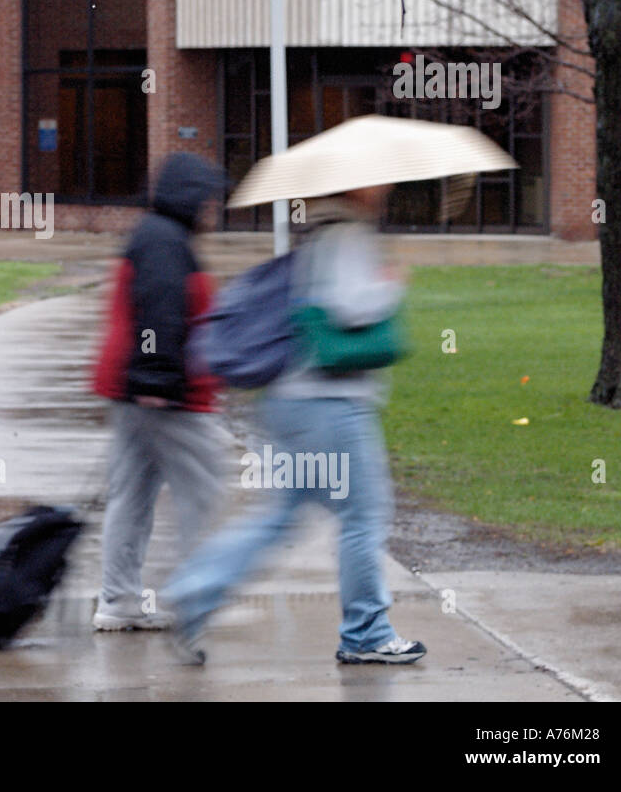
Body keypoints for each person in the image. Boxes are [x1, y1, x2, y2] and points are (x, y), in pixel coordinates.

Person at [163, 185, 427, 665]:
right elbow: (349, 306)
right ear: (358, 189)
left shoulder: (315, 238)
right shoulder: (348, 237)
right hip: (330, 404)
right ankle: (367, 632)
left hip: (290, 402)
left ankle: (195, 589)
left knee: (277, 516)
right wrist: (390, 282)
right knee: (363, 516)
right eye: (378, 185)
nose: (385, 190)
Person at [90, 153, 230, 631]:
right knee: (203, 490)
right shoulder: (167, 242)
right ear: (189, 197)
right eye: (208, 198)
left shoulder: (155, 234)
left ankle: (118, 601)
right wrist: (155, 381)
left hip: (134, 387)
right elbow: (161, 314)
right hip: (163, 392)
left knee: (131, 493)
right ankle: (193, 598)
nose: (212, 208)